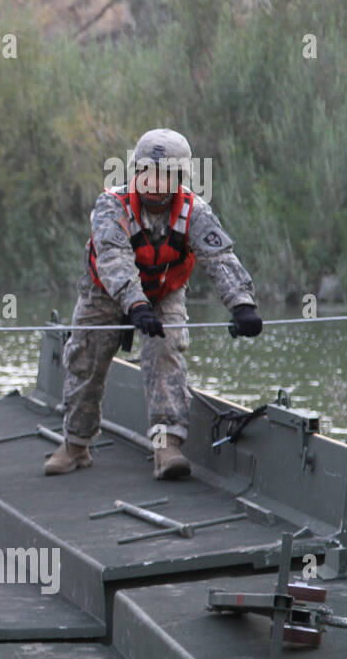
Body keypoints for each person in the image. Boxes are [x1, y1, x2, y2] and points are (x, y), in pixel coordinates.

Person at [45, 128, 262, 480]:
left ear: (179, 178)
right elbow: (113, 258)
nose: (154, 181)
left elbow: (219, 257)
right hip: (104, 293)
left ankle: (167, 447)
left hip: (164, 293)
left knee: (167, 353)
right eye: (146, 171)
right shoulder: (111, 205)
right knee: (85, 361)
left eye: (164, 174)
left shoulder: (195, 210)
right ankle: (75, 445)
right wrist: (135, 305)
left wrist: (242, 305)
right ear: (135, 172)